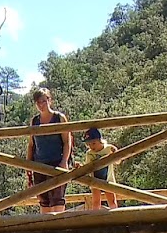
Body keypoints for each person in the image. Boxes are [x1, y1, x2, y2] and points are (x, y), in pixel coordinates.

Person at [24, 86, 72, 214]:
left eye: (44, 101)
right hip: (39, 164)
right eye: (38, 102)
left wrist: (64, 162)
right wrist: (28, 166)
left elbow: (67, 141)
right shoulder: (34, 121)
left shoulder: (59, 118)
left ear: (50, 100)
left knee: (57, 198)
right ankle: (46, 231)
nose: (41, 105)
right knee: (43, 199)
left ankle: (59, 230)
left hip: (57, 163)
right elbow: (31, 145)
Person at [82, 126, 119, 209]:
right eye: (89, 144)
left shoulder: (109, 148)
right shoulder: (89, 153)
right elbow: (87, 167)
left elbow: (118, 162)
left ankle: (115, 217)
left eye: (94, 143)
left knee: (112, 200)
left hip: (108, 179)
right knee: (96, 201)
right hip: (95, 180)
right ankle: (96, 219)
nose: (91, 146)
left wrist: (116, 153)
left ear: (100, 140)